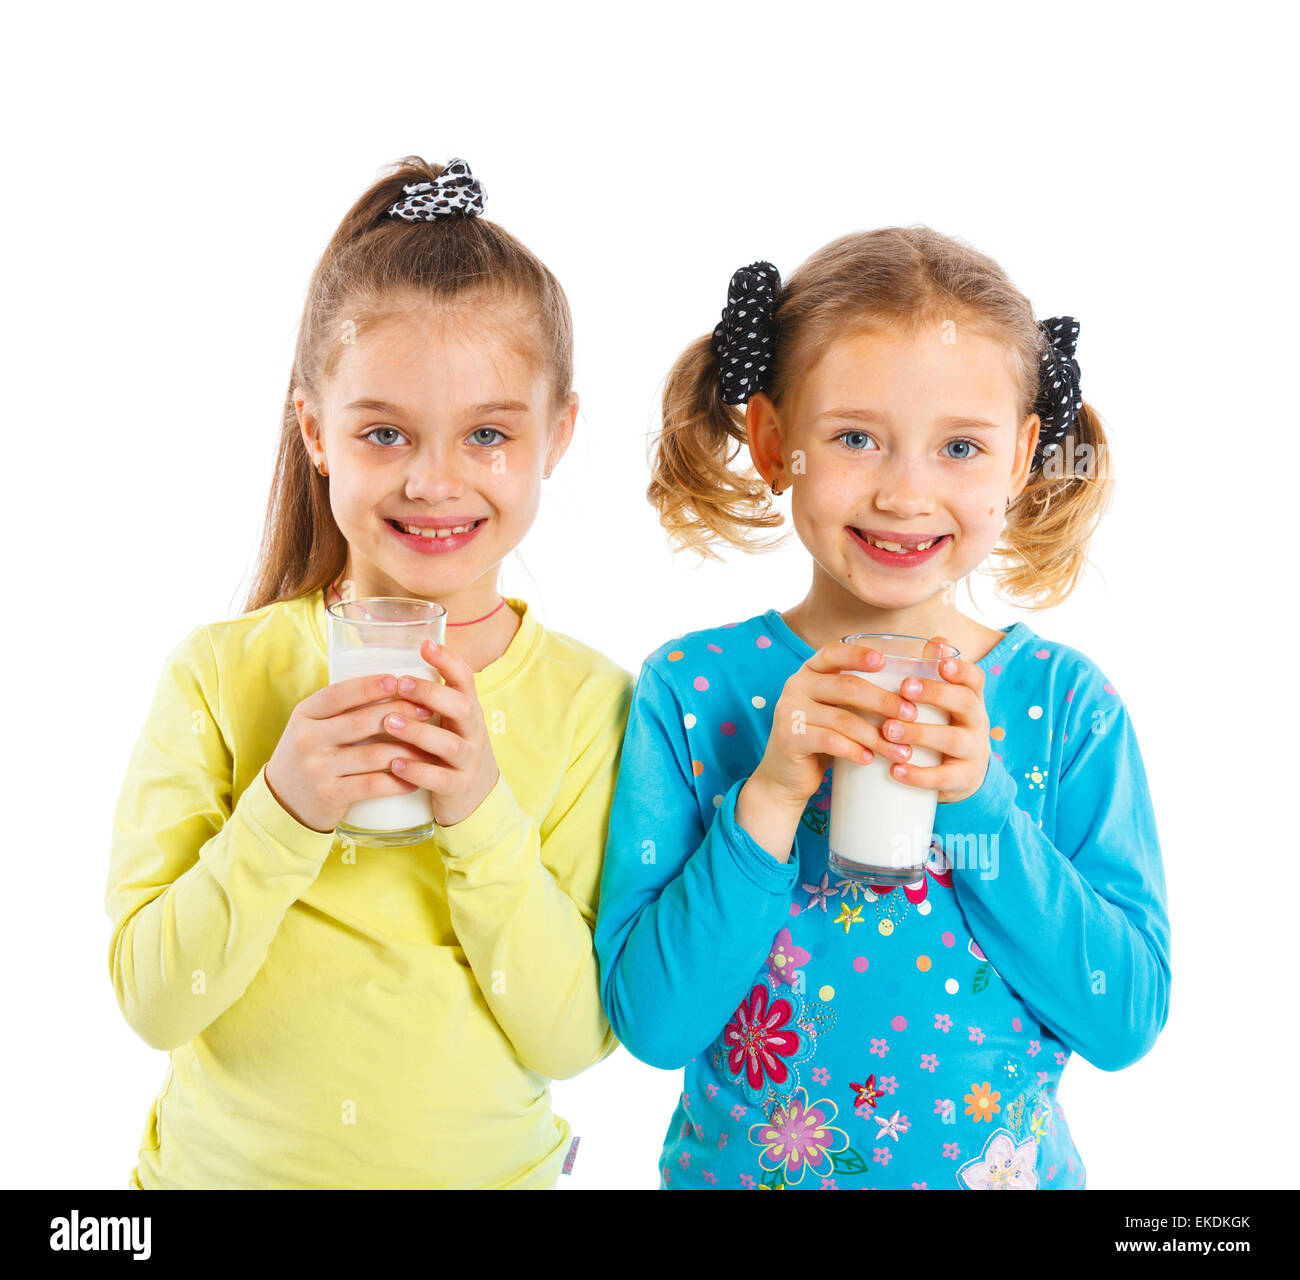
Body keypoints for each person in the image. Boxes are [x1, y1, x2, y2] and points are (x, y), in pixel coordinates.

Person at [594, 229, 1171, 1190]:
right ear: (778, 443)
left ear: (1023, 457)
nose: (906, 494)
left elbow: (1124, 1020)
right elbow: (653, 1025)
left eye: (959, 447)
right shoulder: (693, 694)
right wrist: (772, 795)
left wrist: (984, 803)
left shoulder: (1070, 708)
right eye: (856, 438)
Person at [106, 156, 632, 1189]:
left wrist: (479, 809)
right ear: (315, 431)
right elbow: (155, 999)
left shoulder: (590, 704)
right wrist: (283, 810)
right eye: (383, 431)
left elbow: (571, 1035)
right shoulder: (219, 676)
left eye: (488, 433)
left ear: (556, 437)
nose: (432, 478)